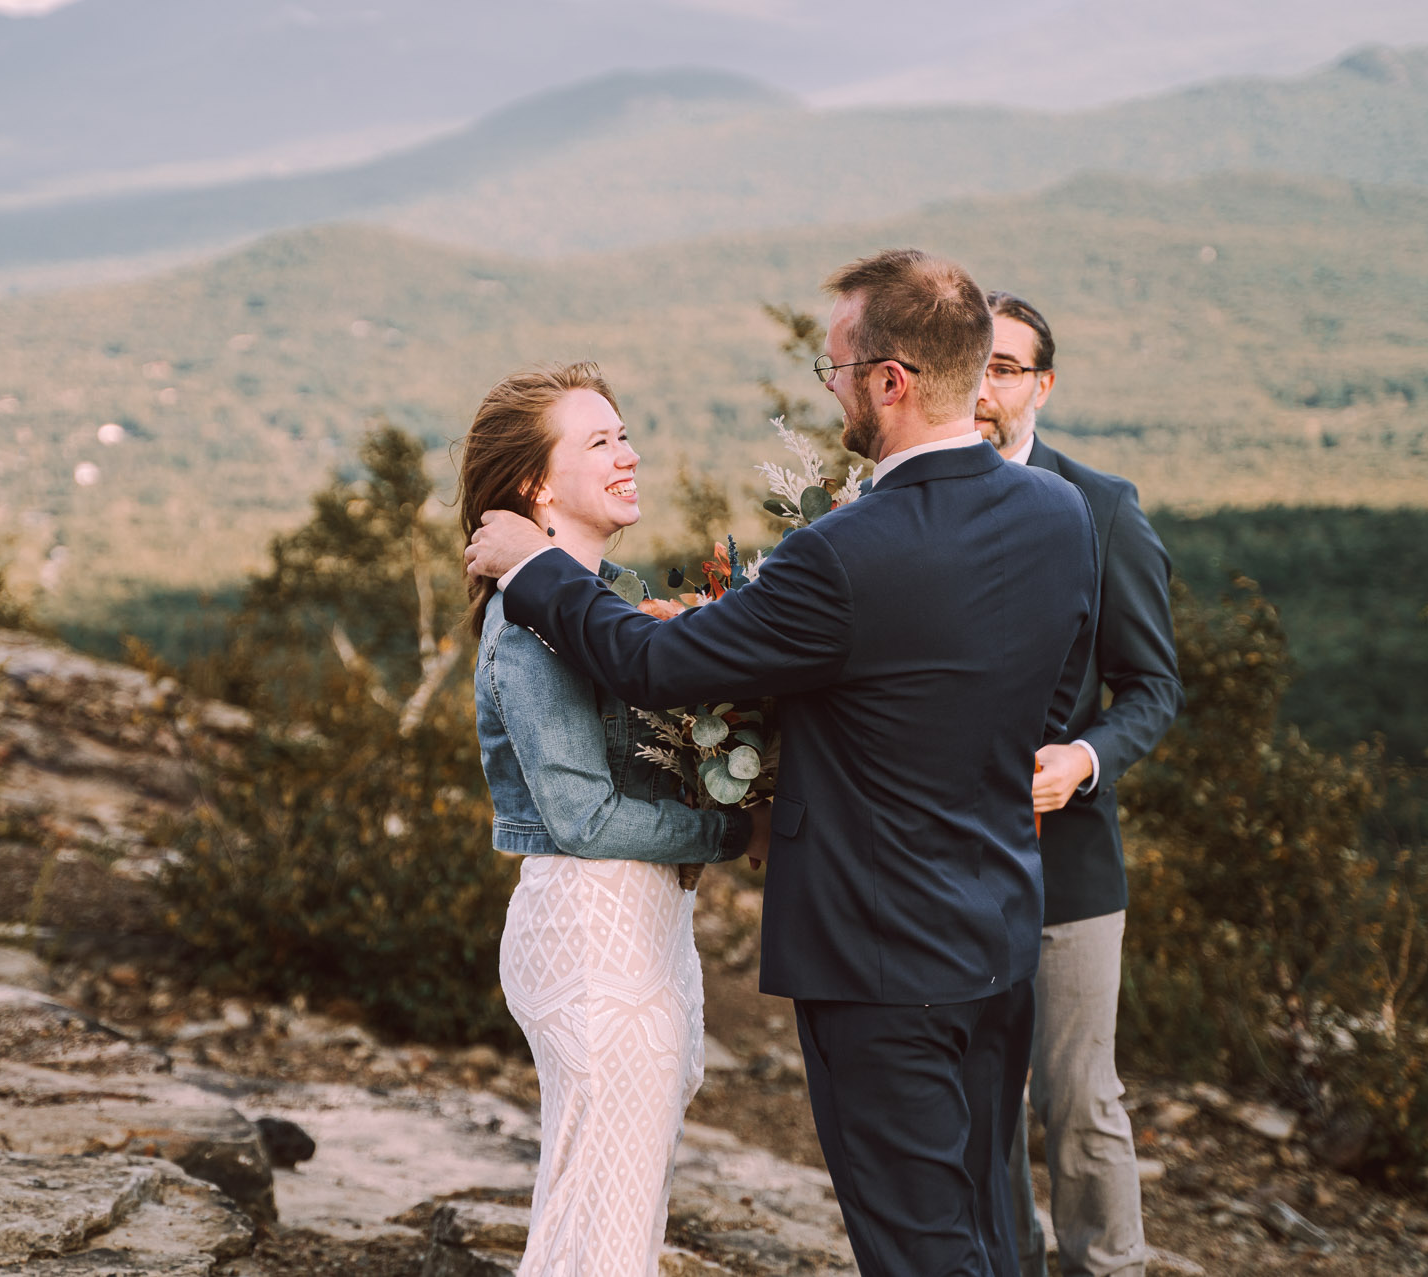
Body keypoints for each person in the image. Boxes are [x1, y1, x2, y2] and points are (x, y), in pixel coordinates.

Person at [468, 250, 1098, 1276]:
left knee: (920, 1251)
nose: (830, 388)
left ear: (889, 381)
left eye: (836, 367)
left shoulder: (843, 554)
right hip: (996, 938)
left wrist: (538, 568)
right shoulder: (1059, 516)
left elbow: (653, 664)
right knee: (986, 1230)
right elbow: (1049, 700)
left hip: (876, 962)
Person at [461, 362, 765, 1277]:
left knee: (606, 1216)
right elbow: (584, 818)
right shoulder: (532, 626)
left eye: (624, 433)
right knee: (605, 1230)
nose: (628, 454)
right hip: (592, 928)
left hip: (643, 923)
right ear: (537, 485)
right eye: (599, 441)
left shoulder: (610, 605)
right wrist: (733, 832)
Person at [978, 292, 1183, 1277]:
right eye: (971, 364)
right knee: (978, 1099)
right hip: (945, 864)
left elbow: (1152, 686)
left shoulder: (1102, 509)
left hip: (1067, 864)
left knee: (1076, 1097)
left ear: (1043, 385)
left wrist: (1083, 759)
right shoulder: (897, 503)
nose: (984, 386)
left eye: (1005, 367)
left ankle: (1108, 1266)